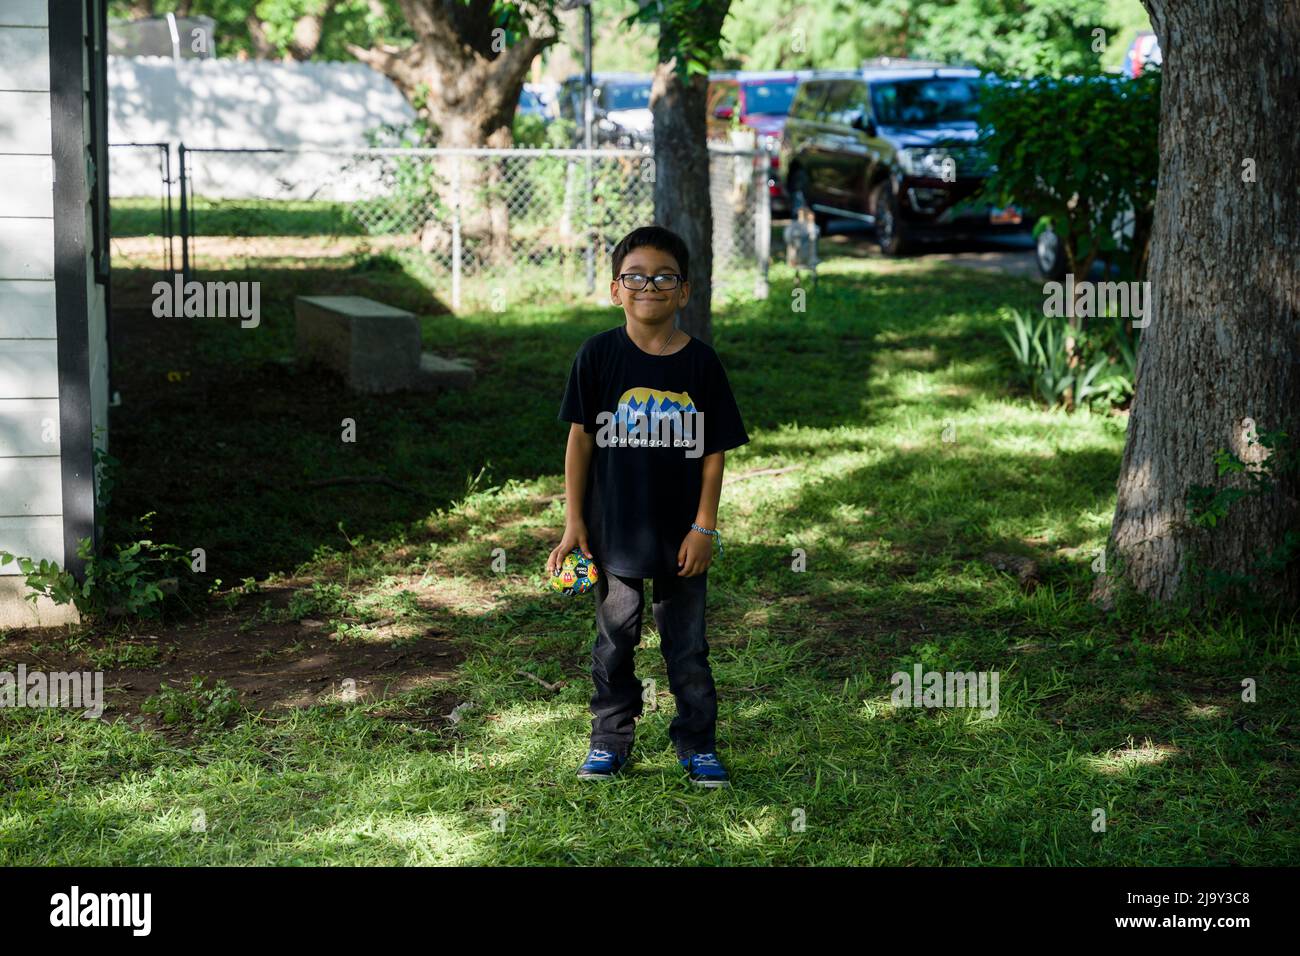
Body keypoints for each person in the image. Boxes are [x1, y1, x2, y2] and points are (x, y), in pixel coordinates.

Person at [549, 225, 750, 788]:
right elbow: (580, 440)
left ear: (684, 291)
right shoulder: (597, 357)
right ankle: (609, 740)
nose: (649, 286)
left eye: (664, 277)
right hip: (613, 535)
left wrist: (703, 527)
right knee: (615, 641)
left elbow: (714, 452)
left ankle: (698, 743)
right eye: (635, 276)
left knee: (687, 647)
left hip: (682, 536)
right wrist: (574, 523)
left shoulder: (701, 365)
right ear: (616, 290)